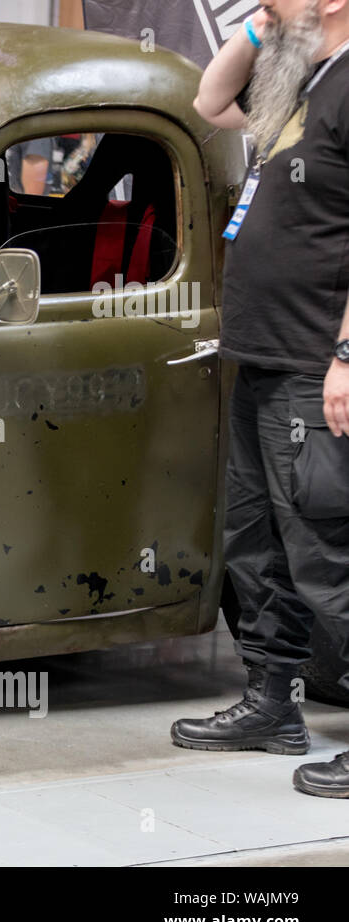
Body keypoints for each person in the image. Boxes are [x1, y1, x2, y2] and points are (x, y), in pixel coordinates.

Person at [172, 0, 349, 798]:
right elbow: (209, 101)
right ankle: (273, 704)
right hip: (259, 351)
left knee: (327, 558)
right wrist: (262, 29)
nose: (261, 2)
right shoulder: (299, 76)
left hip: (317, 362)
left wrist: (347, 354)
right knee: (256, 541)